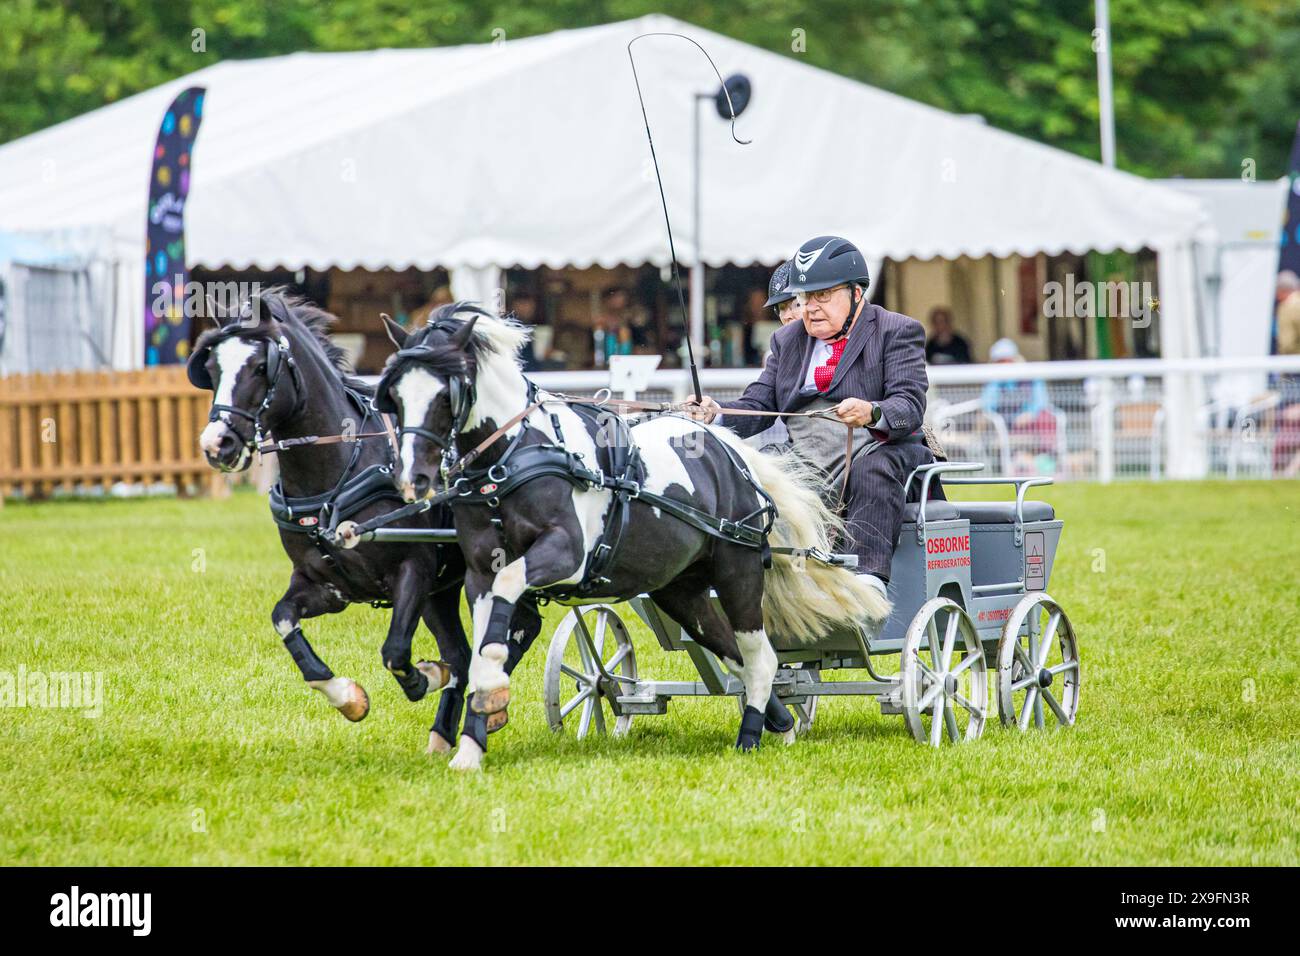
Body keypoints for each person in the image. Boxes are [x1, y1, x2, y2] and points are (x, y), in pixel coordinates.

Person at [688, 235, 943, 595]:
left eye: (823, 295)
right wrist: (715, 415)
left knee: (874, 467)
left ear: (857, 294)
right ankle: (753, 578)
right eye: (804, 297)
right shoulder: (787, 340)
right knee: (757, 469)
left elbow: (909, 405)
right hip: (808, 456)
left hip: (882, 448)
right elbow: (760, 403)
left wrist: (872, 412)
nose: (809, 308)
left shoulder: (896, 331)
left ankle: (867, 583)